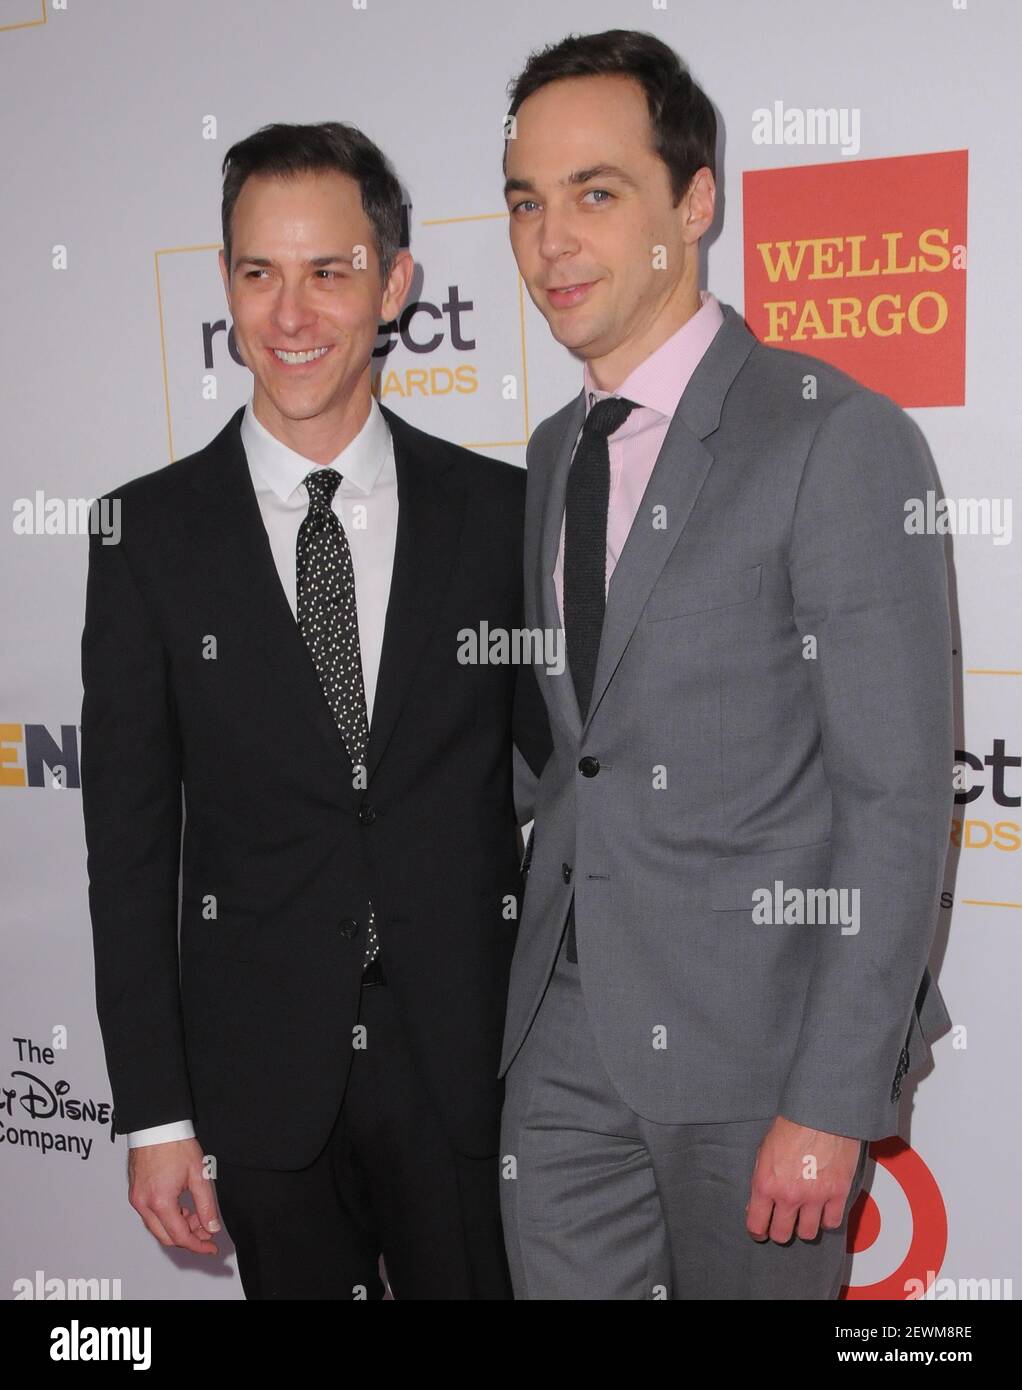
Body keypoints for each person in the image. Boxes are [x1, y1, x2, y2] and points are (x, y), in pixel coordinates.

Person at [497, 30, 953, 1299]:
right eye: (526, 201)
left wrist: (830, 1094)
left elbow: (895, 800)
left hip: (759, 1056)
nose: (550, 241)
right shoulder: (547, 454)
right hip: (560, 1041)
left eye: (596, 193)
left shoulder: (833, 439)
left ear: (692, 204)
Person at [81, 121, 550, 1300]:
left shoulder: (501, 514)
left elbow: (574, 787)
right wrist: (153, 1117)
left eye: (328, 271)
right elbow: (128, 854)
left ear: (392, 284)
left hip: (470, 1062)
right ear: (228, 287)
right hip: (258, 1079)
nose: (290, 314)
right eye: (258, 272)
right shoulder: (146, 538)